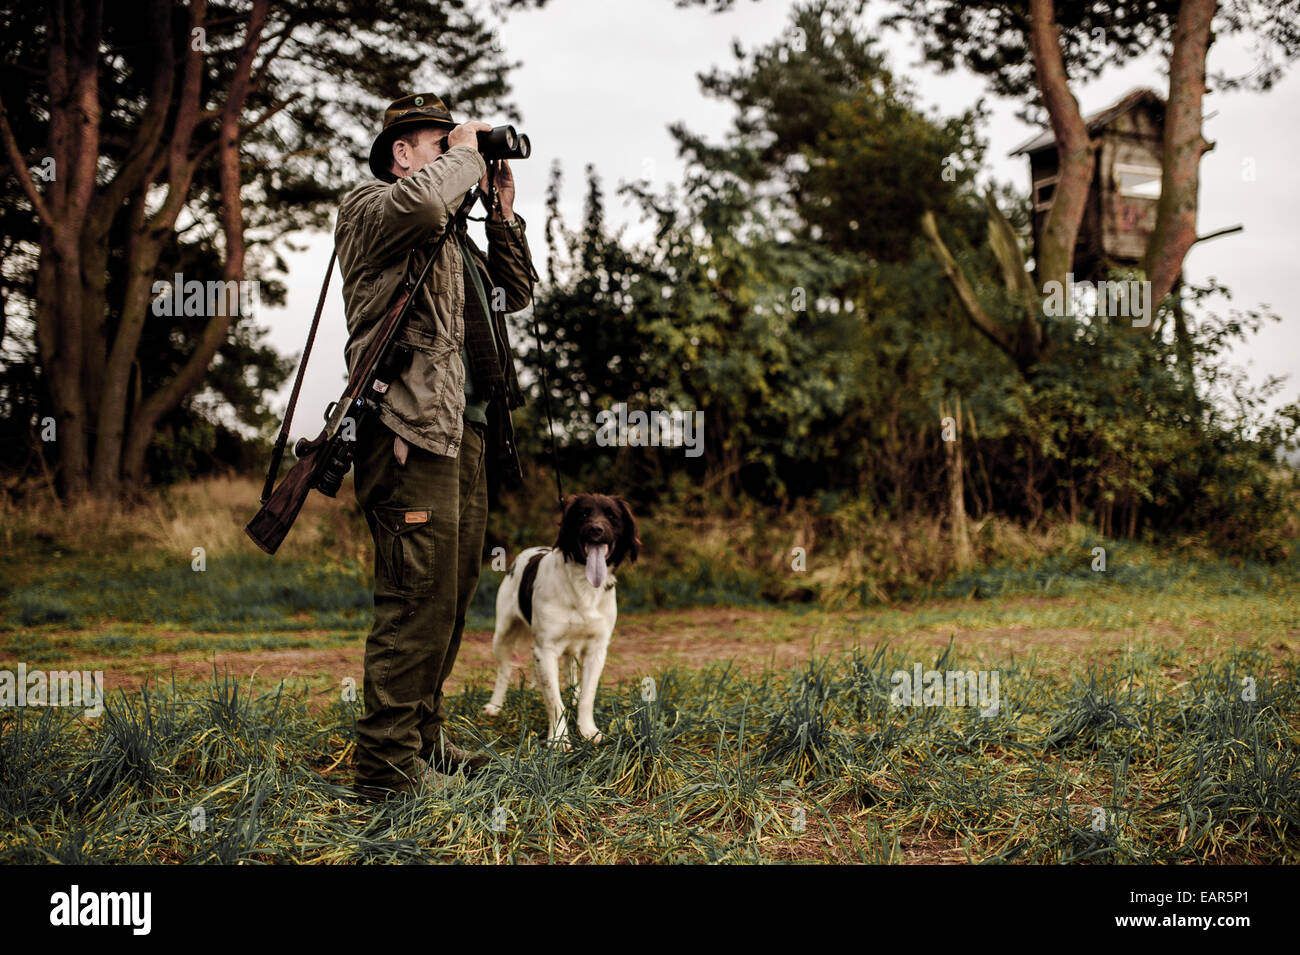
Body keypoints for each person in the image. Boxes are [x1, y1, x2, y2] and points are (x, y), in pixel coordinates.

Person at [334, 92, 536, 799]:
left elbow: (516, 295)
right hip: (406, 432)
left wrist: (501, 211)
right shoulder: (370, 209)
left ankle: (422, 737)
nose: (460, 152)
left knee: (450, 597)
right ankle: (385, 771)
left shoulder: (452, 240)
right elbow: (421, 205)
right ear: (403, 153)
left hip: (464, 434)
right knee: (415, 597)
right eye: (441, 142)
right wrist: (467, 150)